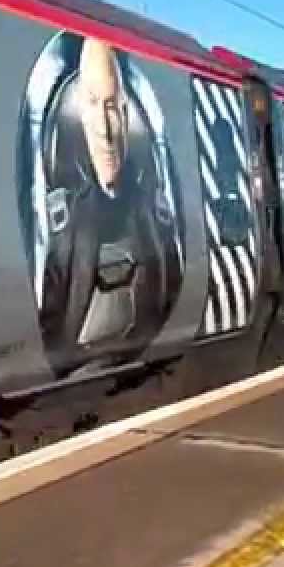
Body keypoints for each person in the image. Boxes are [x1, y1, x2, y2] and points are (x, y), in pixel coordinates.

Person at [37, 37, 182, 373]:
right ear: (77, 117)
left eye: (112, 107)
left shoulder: (156, 212)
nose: (103, 129)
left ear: (127, 116)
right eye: (91, 105)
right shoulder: (57, 222)